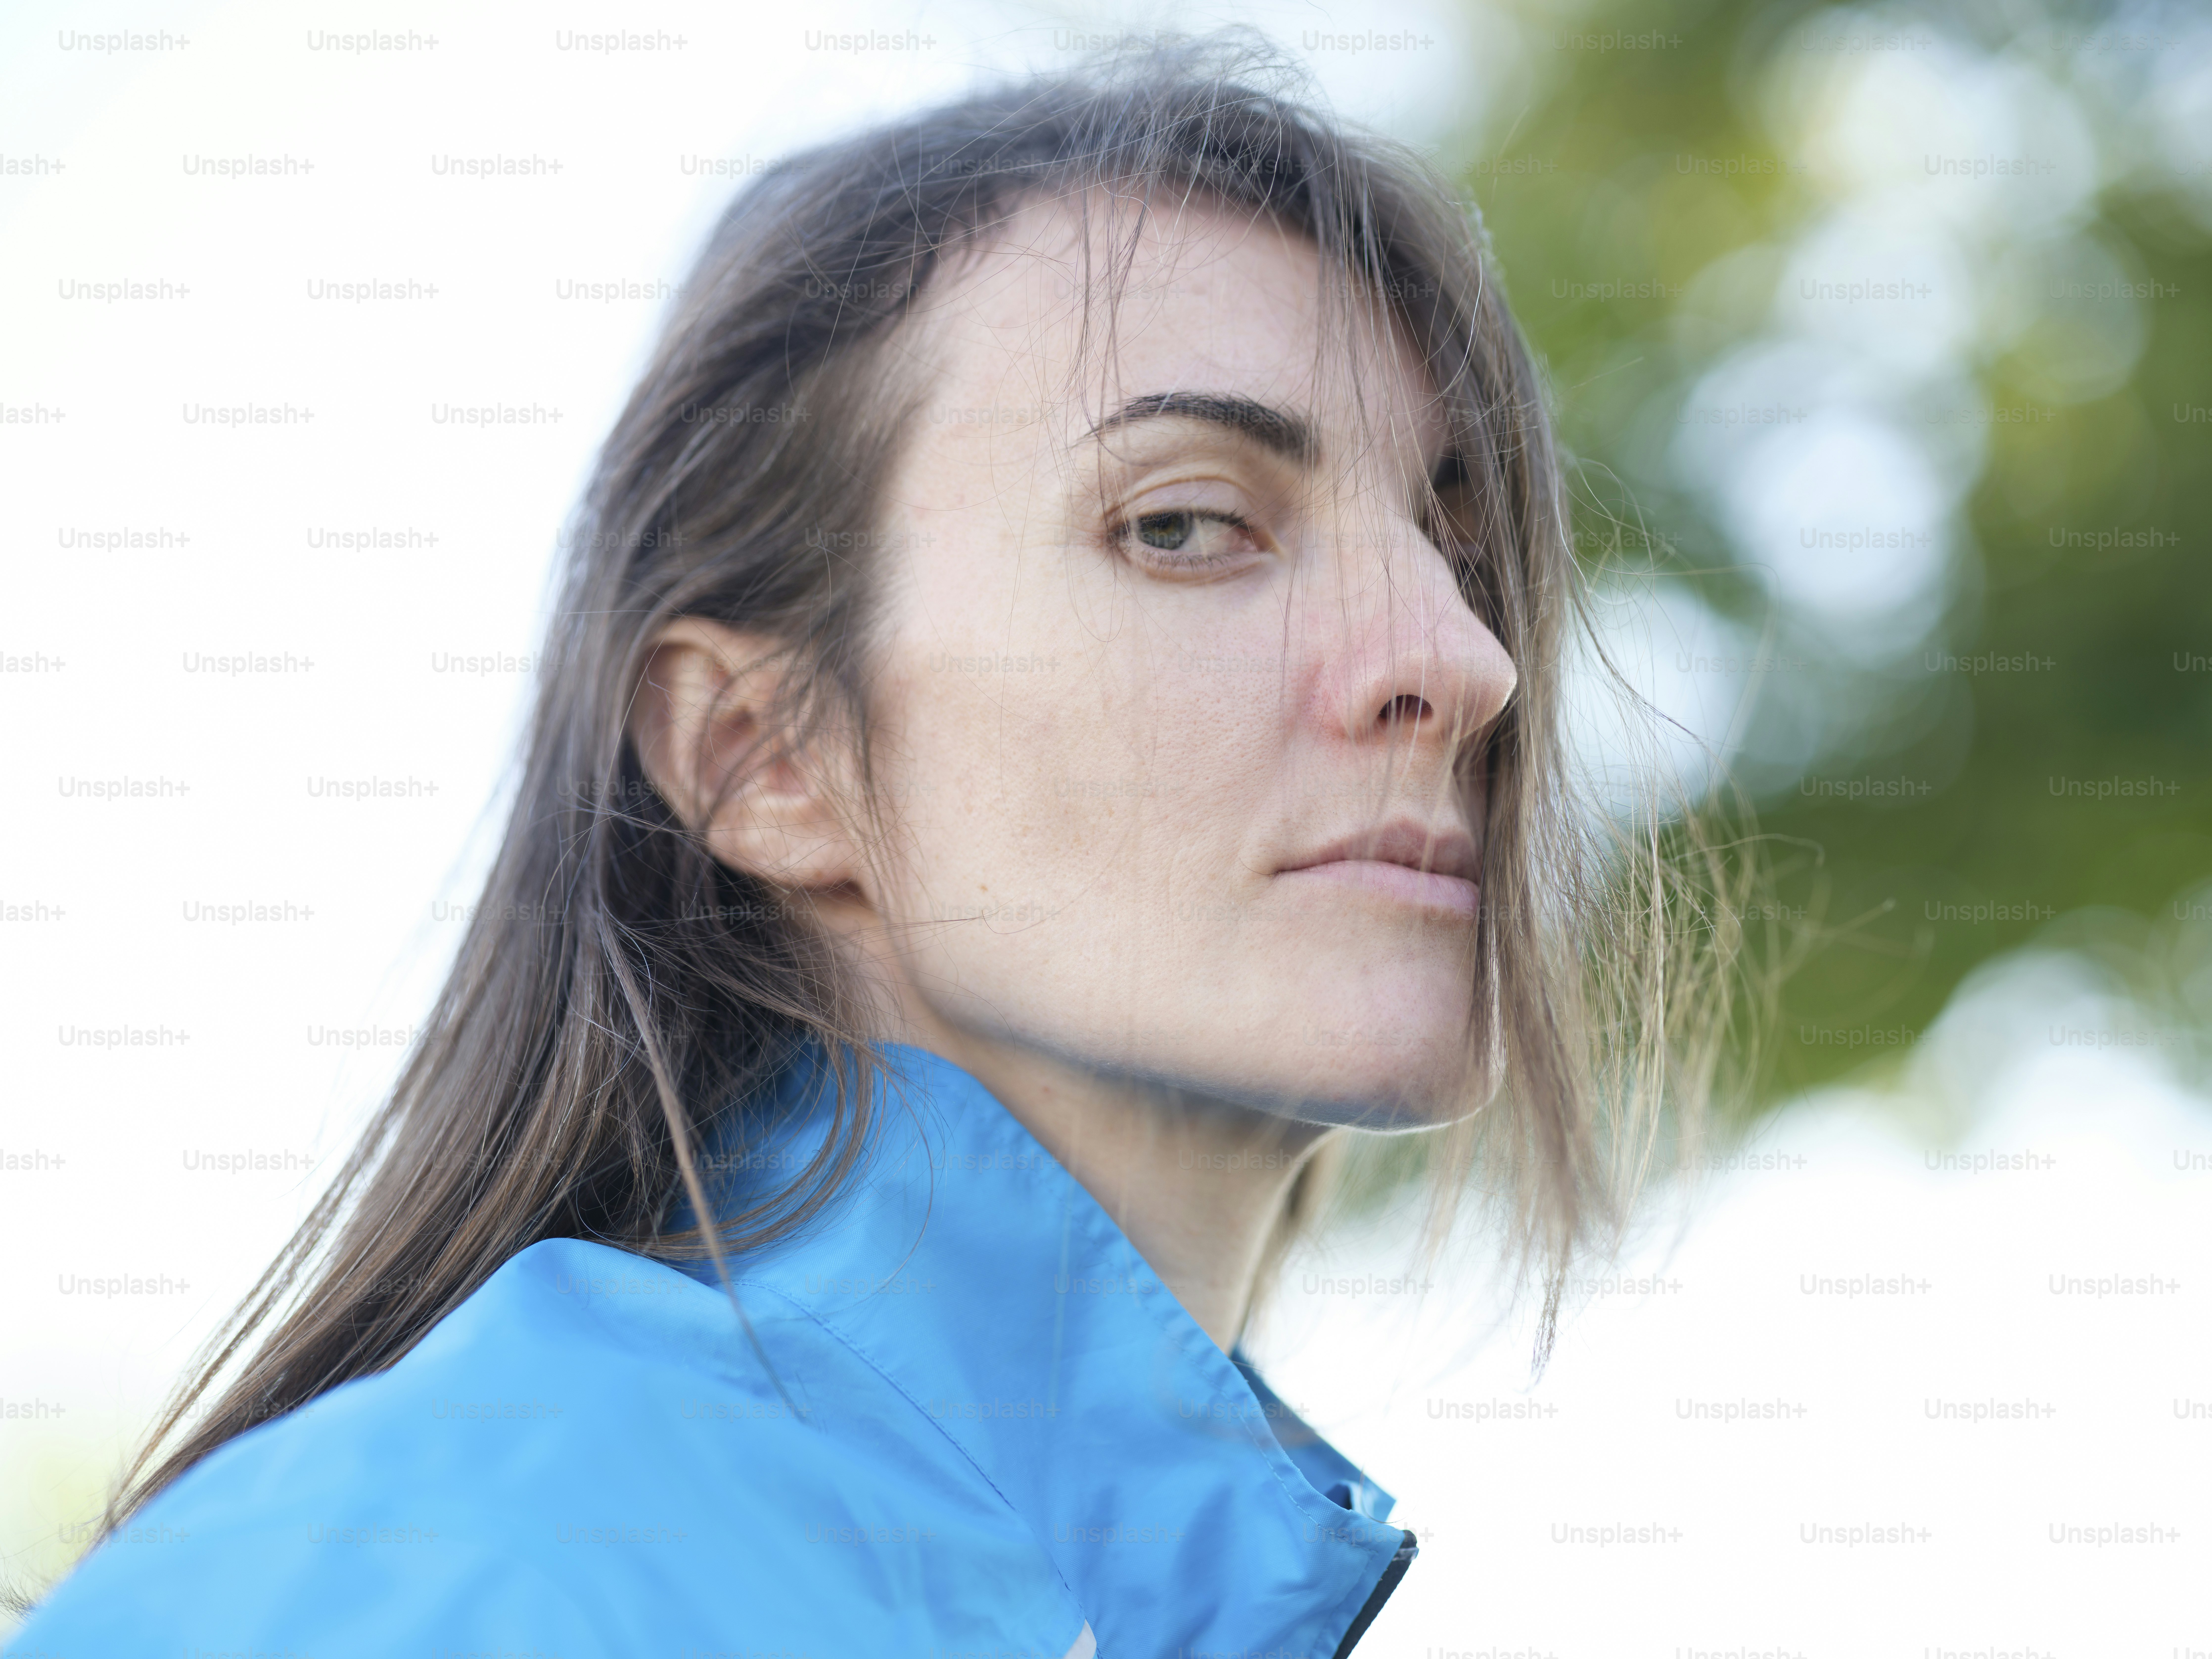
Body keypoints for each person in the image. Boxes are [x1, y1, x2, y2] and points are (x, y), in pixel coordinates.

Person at [10, 36, 1738, 1658]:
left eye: (1457, 548)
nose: (1463, 658)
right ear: (766, 756)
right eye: (1190, 524)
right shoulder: (445, 1579)